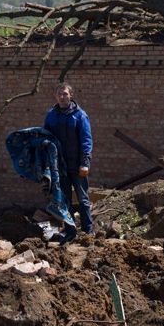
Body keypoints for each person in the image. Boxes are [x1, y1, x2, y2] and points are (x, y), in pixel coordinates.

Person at [43, 82, 93, 237]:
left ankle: (88, 231)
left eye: (65, 94)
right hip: (61, 166)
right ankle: (70, 231)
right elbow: (46, 137)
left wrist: (85, 162)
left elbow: (86, 140)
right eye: (59, 94)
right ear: (55, 96)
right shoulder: (51, 115)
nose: (62, 97)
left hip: (78, 165)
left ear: (71, 95)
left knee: (83, 199)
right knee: (65, 201)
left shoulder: (80, 115)